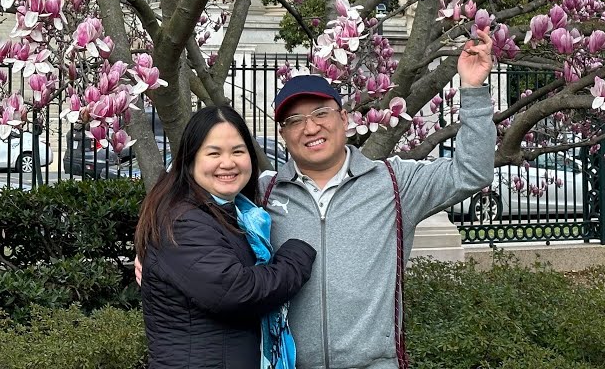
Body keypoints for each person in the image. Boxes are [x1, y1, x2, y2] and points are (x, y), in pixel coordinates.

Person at [262, 28, 497, 369]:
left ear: (344, 119)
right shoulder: (265, 193)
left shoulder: (393, 182)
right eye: (294, 120)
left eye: (320, 114)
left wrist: (473, 91)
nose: (310, 128)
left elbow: (472, 172)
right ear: (283, 134)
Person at [136, 105, 318, 369]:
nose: (228, 163)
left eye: (238, 151)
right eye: (214, 153)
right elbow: (236, 290)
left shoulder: (235, 213)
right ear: (190, 160)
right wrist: (296, 257)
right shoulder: (181, 221)